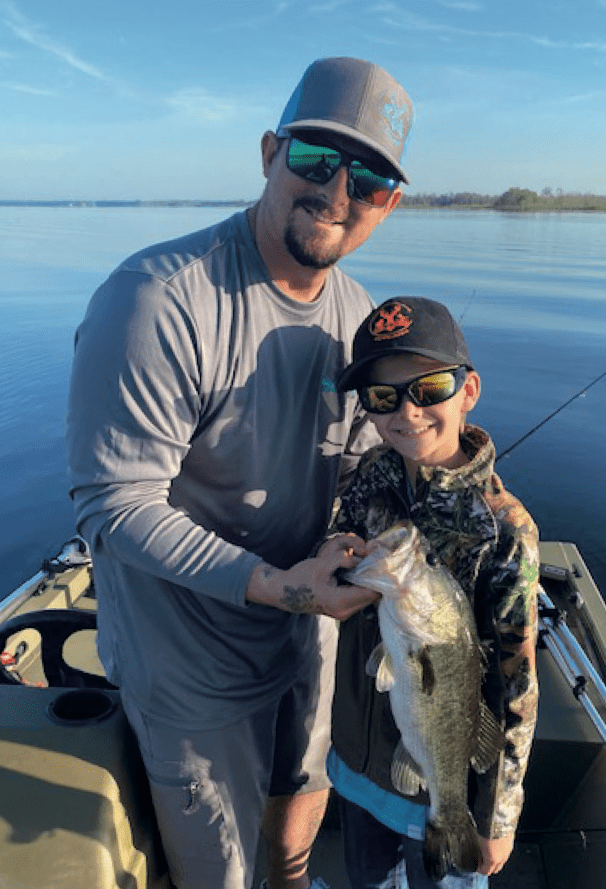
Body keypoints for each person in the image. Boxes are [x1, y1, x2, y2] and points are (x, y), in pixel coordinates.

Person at [65, 57, 413, 889]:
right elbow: (112, 507)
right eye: (314, 158)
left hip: (309, 630)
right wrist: (286, 586)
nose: (336, 190)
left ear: (387, 203)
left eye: (366, 177)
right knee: (219, 870)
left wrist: (464, 481)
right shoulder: (158, 298)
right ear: (268, 151)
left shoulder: (358, 311)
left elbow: (366, 458)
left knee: (303, 789)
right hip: (191, 663)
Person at [322, 297, 540, 889]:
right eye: (383, 397)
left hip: (441, 776)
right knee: (368, 876)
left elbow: (515, 683)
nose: (407, 412)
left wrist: (498, 815)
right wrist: (333, 558)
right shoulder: (373, 472)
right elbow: (343, 556)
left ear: (468, 390)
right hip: (358, 758)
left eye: (429, 387)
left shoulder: (506, 530)